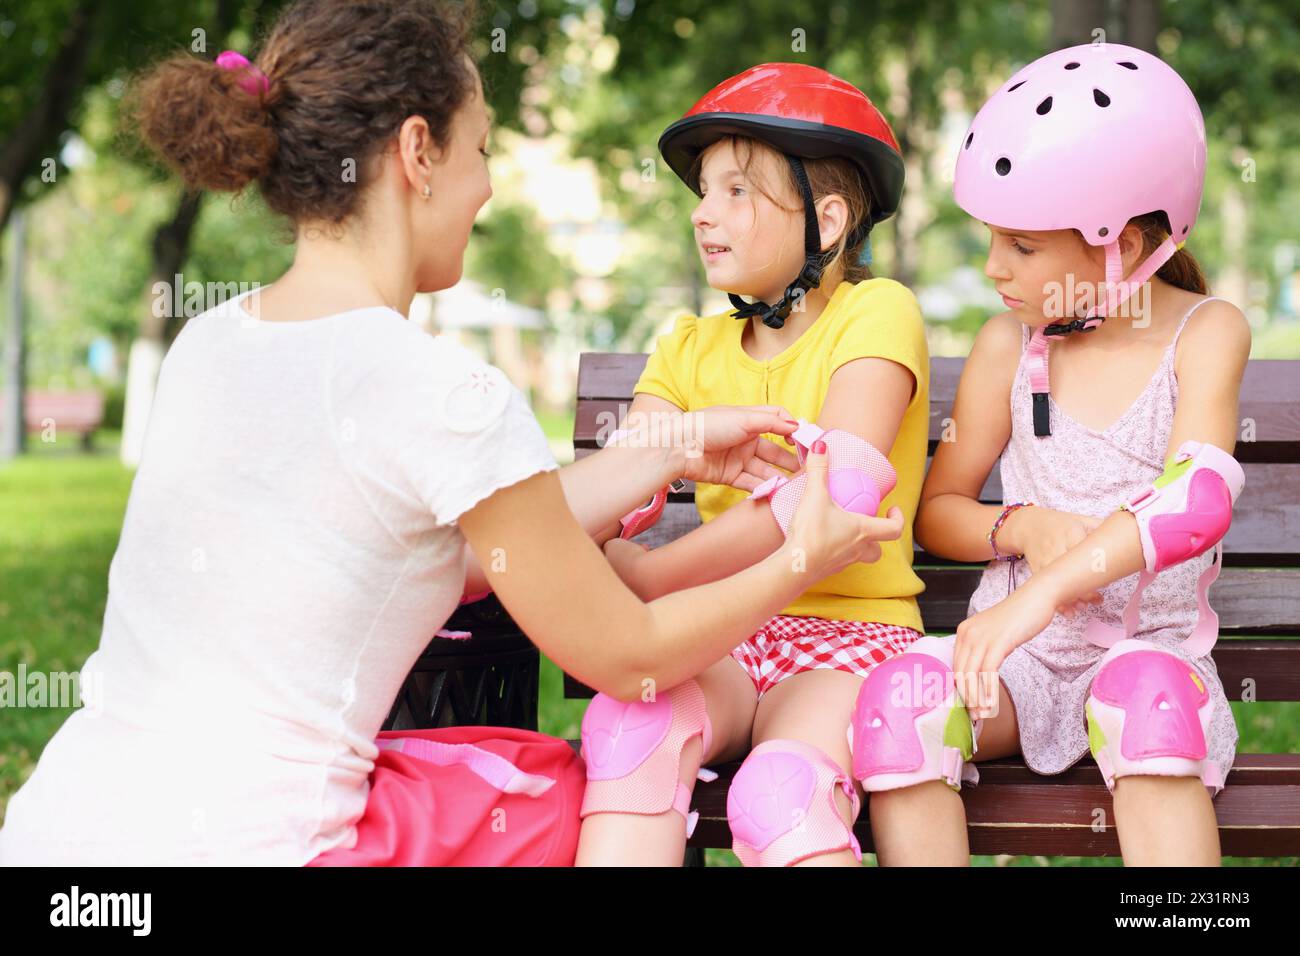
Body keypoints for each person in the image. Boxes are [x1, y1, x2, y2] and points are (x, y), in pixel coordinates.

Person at [0, 0, 903, 866]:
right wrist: (799, 560)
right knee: (550, 797)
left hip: (57, 835)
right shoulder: (443, 393)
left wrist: (672, 446)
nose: (490, 182)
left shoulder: (209, 342)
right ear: (417, 154)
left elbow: (464, 552)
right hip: (267, 848)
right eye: (482, 148)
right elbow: (631, 658)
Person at [856, 42, 1249, 866]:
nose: (996, 267)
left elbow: (1198, 499)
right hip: (1019, 664)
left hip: (1152, 655)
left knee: (1146, 709)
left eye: (1024, 247)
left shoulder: (1205, 332)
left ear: (1129, 245)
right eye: (994, 239)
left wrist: (1045, 592)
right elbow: (939, 513)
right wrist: (1021, 529)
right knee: (903, 706)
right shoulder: (1010, 345)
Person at [574, 63, 931, 867]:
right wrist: (611, 525)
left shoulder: (877, 313)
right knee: (630, 730)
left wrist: (653, 578)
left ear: (828, 219)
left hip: (851, 637)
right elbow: (618, 489)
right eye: (703, 192)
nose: (703, 215)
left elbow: (835, 493)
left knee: (780, 796)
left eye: (737, 191)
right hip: (725, 633)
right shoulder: (686, 347)